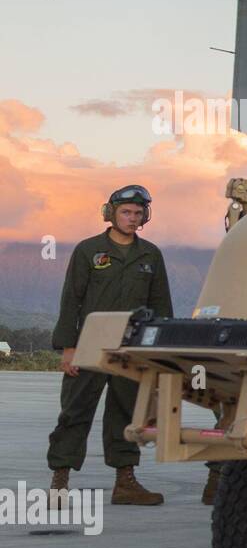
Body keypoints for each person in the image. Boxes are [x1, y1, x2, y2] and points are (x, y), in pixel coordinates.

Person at [48, 185, 172, 504]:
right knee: (75, 412)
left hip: (131, 349)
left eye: (138, 213)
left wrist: (158, 355)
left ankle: (125, 483)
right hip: (90, 345)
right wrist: (68, 348)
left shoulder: (151, 255)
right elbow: (71, 301)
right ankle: (59, 482)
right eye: (126, 212)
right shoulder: (88, 251)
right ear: (111, 214)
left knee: (127, 413)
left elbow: (161, 308)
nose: (132, 219)